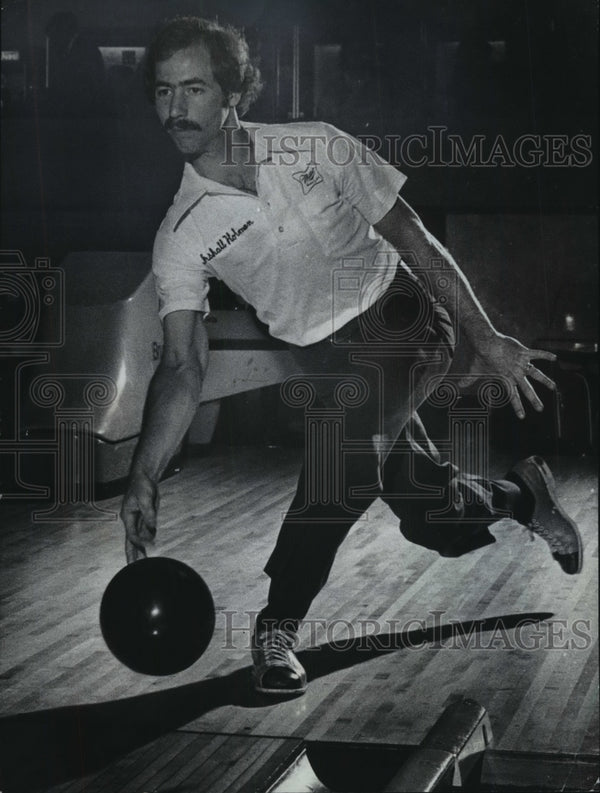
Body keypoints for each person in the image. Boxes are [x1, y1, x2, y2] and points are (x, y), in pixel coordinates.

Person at [120, 17, 583, 696]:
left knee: (341, 462)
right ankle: (523, 495)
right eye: (163, 92)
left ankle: (275, 627)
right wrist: (145, 475)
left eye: (193, 88)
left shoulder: (317, 145)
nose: (176, 108)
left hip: (404, 319)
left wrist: (483, 334)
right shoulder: (180, 234)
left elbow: (414, 236)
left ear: (233, 93)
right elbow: (182, 365)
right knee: (437, 517)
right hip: (327, 364)